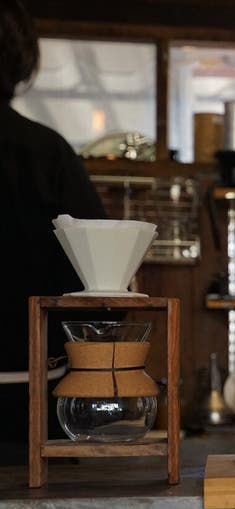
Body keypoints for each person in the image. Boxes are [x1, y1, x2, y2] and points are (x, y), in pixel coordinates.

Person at [0, 0, 107, 463]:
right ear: (21, 59)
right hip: (33, 414)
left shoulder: (49, 154)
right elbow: (101, 287)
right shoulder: (46, 155)